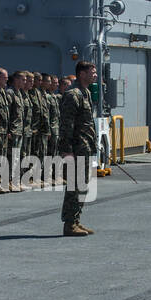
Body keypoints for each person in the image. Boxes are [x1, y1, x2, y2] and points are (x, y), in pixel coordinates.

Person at [58, 60, 98, 236]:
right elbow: (67, 124)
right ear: (82, 74)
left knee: (82, 185)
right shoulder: (72, 95)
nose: (95, 75)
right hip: (76, 147)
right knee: (75, 185)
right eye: (92, 72)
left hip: (86, 145)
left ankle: (75, 220)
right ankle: (69, 224)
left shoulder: (86, 93)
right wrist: (67, 149)